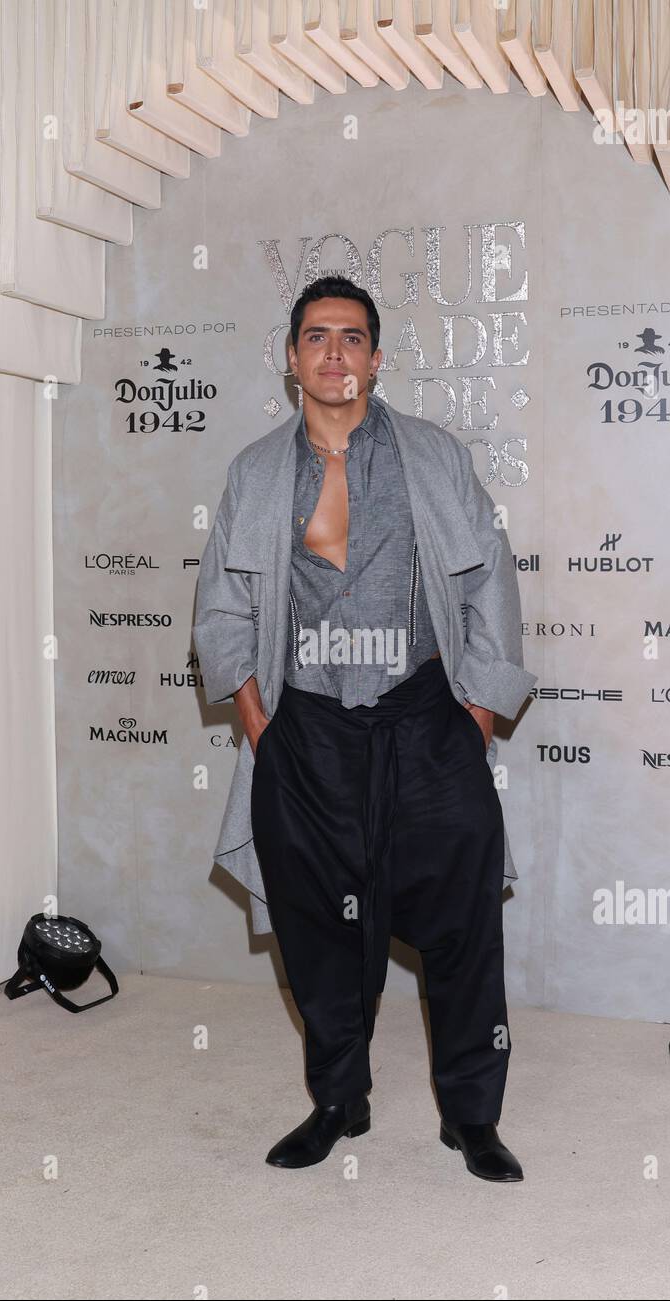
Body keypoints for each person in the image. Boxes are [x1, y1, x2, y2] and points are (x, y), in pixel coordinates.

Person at [192, 275, 536, 1181]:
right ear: (292, 358)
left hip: (425, 721)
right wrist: (262, 722)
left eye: (351, 337)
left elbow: (489, 584)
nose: (334, 352)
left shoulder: (433, 456)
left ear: (376, 360)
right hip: (305, 733)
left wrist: (474, 713)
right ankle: (339, 1103)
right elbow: (222, 609)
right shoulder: (255, 473)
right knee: (317, 936)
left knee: (462, 928)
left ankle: (472, 1118)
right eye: (316, 337)